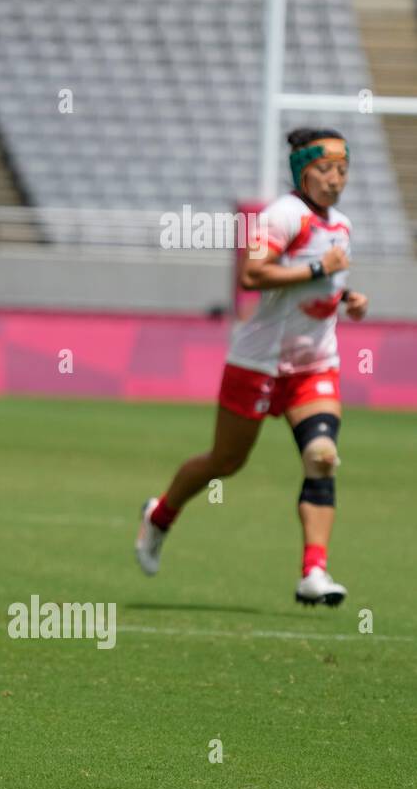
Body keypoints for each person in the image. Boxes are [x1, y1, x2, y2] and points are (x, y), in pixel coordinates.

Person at [135, 128, 368, 606]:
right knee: (226, 462)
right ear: (302, 172)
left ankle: (314, 574)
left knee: (322, 458)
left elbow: (318, 284)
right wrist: (320, 271)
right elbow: (253, 273)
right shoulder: (283, 215)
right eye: (325, 169)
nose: (335, 179)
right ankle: (160, 516)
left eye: (342, 170)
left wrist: (346, 296)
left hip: (314, 366)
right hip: (257, 363)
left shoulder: (341, 224)